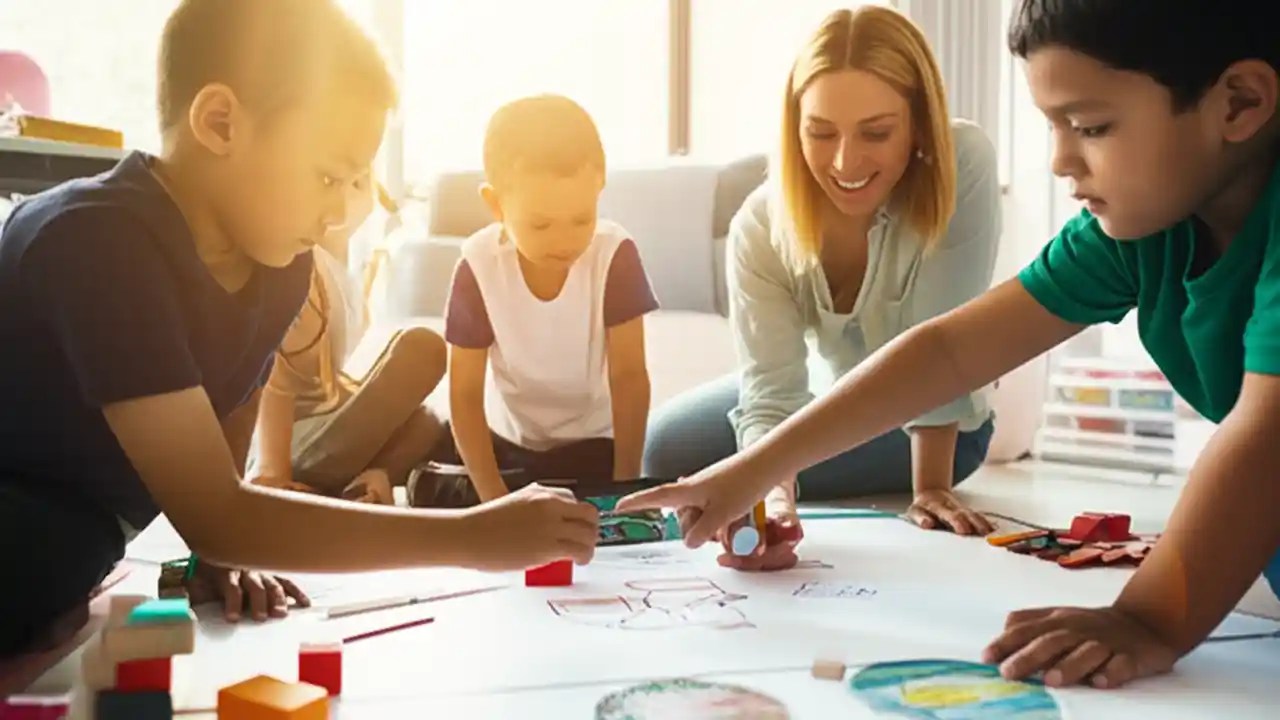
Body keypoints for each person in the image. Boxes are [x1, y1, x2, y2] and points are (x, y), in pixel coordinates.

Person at [619, 0, 1280, 691]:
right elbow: (950, 351)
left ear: (1239, 102)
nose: (1059, 161)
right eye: (1052, 126)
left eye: (1090, 127)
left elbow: (1265, 433)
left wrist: (1151, 619)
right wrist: (757, 468)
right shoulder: (1143, 230)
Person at [0, 0, 597, 660]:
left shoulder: (278, 268)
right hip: (26, 508)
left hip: (79, 529)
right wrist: (467, 537)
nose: (340, 212)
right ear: (220, 123)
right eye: (327, 176)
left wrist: (220, 553)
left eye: (355, 181)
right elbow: (219, 515)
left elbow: (224, 483)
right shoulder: (97, 241)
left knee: (73, 557)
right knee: (52, 558)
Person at [641, 5, 1000, 570]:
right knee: (670, 445)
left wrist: (930, 486)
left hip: (936, 429)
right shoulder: (760, 224)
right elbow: (772, 392)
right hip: (828, 389)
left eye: (876, 133)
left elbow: (941, 348)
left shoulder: (963, 162)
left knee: (718, 463)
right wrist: (772, 501)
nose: (845, 161)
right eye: (820, 132)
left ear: (918, 124)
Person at [411, 95, 659, 508]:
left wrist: (624, 489)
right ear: (496, 205)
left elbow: (630, 377)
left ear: (599, 187)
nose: (564, 240)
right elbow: (465, 395)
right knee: (436, 482)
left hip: (595, 446)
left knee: (590, 510)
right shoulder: (478, 266)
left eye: (581, 219)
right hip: (508, 448)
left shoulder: (615, 254)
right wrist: (495, 504)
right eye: (541, 224)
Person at [250, 172, 448, 505]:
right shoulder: (297, 264)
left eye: (359, 184)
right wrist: (273, 469)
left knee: (429, 420)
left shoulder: (345, 271)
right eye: (331, 182)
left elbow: (328, 380)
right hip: (290, 443)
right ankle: (296, 487)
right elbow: (274, 376)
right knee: (422, 349)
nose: (346, 200)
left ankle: (366, 483)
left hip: (328, 429)